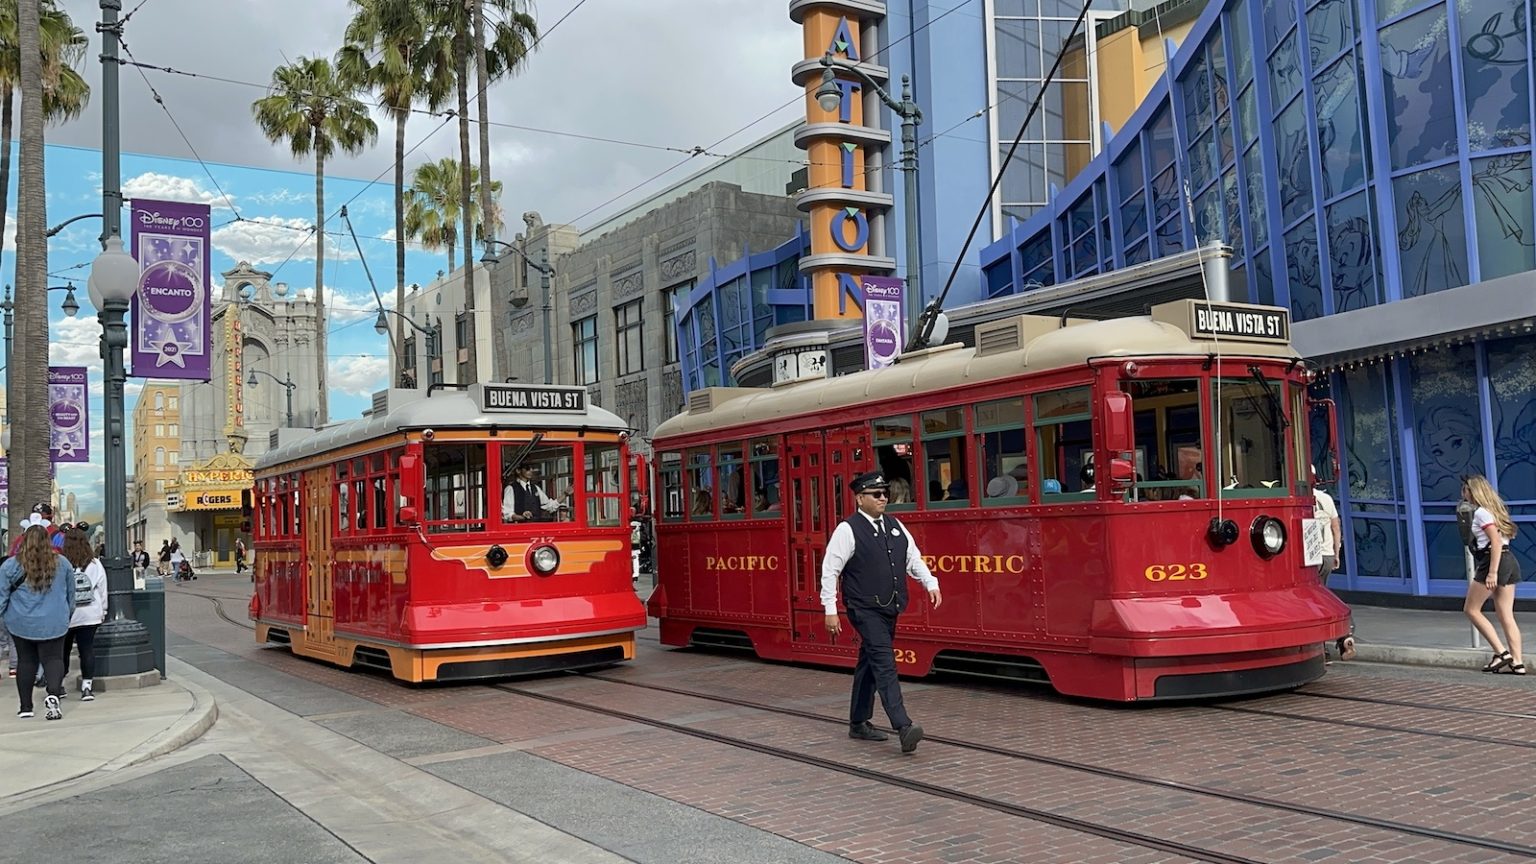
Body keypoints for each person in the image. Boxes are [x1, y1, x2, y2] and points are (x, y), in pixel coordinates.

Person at [821, 470, 942, 754]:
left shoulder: (895, 526)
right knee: (885, 662)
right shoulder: (847, 530)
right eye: (876, 494)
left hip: (890, 607)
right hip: (864, 608)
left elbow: (913, 558)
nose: (883, 498)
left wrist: (930, 583)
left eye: (885, 493)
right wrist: (830, 609)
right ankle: (903, 725)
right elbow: (830, 570)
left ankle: (858, 722)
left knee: (869, 663)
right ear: (859, 498)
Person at [0, 526, 75, 719]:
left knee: (26, 662)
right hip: (54, 621)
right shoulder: (62, 563)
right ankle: (53, 695)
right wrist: (66, 615)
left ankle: (26, 707)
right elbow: (71, 595)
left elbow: (2, 598)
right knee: (54, 660)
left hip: (20, 622)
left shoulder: (10, 566)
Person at [1461, 475, 1524, 675]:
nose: (1463, 494)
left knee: (1471, 609)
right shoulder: (1495, 511)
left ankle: (1501, 652)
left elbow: (1495, 542)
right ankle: (1518, 662)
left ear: (1472, 492)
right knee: (1506, 614)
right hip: (1509, 560)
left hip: (1493, 560)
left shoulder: (1481, 513)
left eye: (1465, 490)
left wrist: (1492, 573)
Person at [59, 527, 106, 702]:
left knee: (62, 651)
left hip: (68, 614)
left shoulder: (62, 563)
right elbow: (102, 589)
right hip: (90, 613)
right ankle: (87, 687)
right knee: (86, 650)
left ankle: (60, 685)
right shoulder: (94, 563)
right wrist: (103, 610)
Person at [1312, 469, 1354, 660]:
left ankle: (1321, 646)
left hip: (1309, 559)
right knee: (1324, 596)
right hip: (1327, 555)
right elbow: (1336, 528)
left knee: (1314, 602)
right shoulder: (1326, 499)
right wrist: (1337, 553)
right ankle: (1345, 636)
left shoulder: (1298, 500)